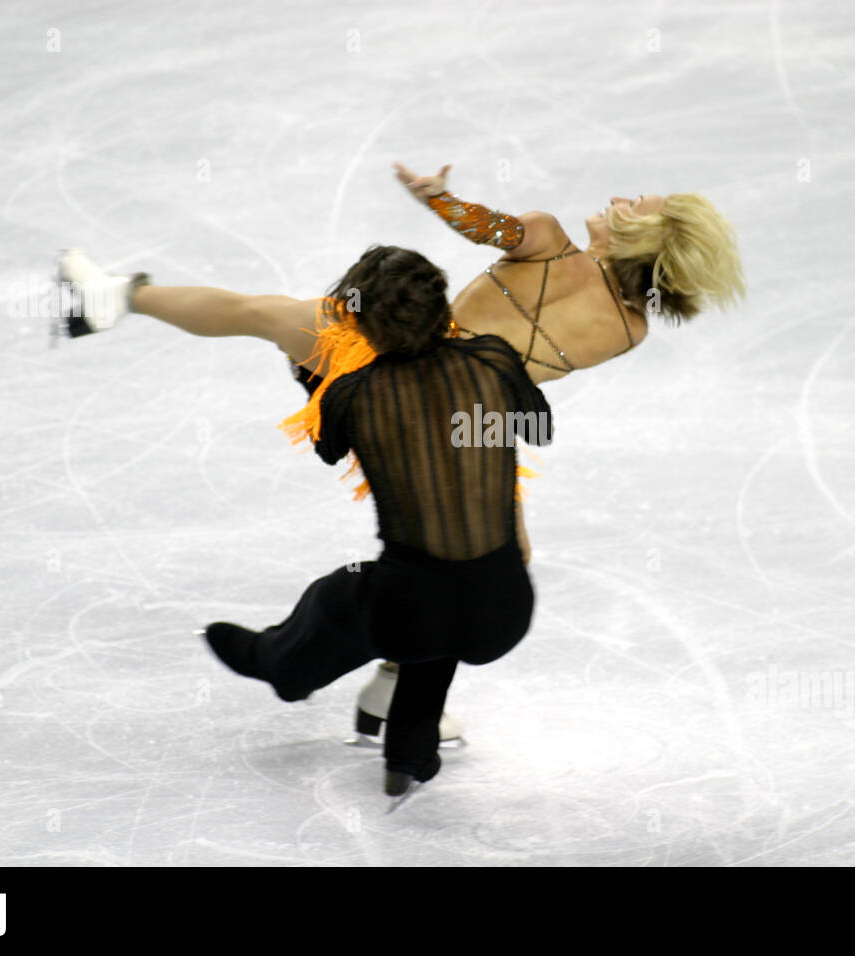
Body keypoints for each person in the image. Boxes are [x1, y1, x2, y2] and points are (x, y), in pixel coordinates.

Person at [54, 160, 744, 742]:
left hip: (389, 369)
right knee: (497, 556)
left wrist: (437, 198)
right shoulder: (629, 329)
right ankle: (396, 689)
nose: (617, 199)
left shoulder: (550, 240)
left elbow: (484, 225)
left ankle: (114, 297)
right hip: (465, 421)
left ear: (643, 234)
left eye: (633, 204)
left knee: (262, 313)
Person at [197, 244, 551, 795]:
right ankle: (410, 750)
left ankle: (280, 668)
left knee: (340, 594)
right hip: (504, 608)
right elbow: (533, 423)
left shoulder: (355, 395)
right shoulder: (493, 361)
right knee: (441, 601)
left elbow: (329, 446)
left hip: (409, 611)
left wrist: (310, 378)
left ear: (363, 325)